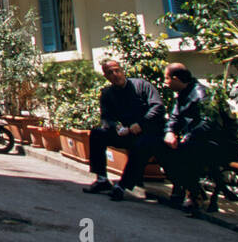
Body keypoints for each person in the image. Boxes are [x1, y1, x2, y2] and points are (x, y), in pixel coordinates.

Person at [82, 58, 164, 202]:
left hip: (147, 132)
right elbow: (106, 117)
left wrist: (141, 124)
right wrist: (116, 127)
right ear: (106, 77)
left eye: (117, 70)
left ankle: (122, 186)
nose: (115, 74)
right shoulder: (107, 93)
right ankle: (101, 179)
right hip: (126, 132)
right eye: (110, 73)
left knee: (142, 145)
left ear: (122, 70)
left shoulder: (142, 85)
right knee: (97, 134)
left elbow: (157, 107)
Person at [160, 64, 216, 215]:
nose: (165, 82)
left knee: (185, 151)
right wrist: (169, 132)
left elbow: (208, 123)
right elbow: (174, 117)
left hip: (210, 142)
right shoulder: (182, 94)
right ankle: (186, 186)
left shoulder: (200, 94)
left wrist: (188, 137)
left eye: (167, 78)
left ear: (176, 79)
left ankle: (194, 193)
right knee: (159, 147)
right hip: (191, 140)